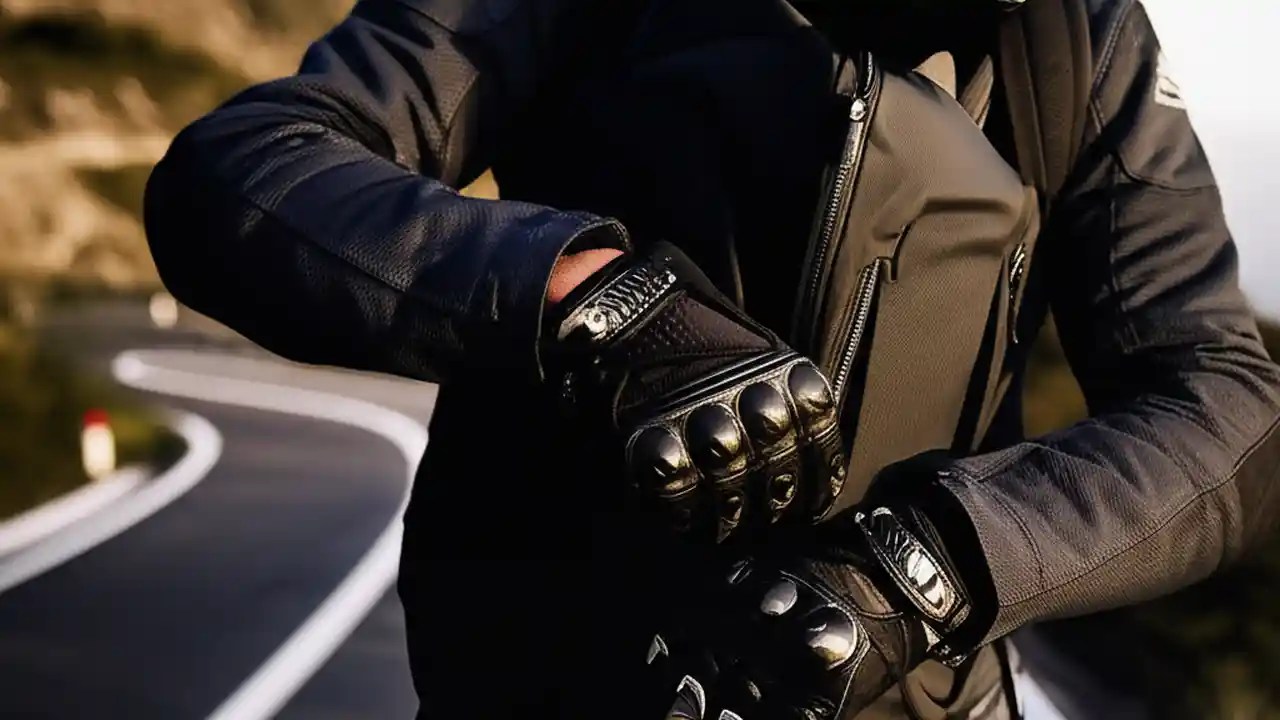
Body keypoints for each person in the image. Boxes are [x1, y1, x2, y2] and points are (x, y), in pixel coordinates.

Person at [143, 0, 1280, 717]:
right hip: (546, 674)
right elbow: (240, 170)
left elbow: (1223, 398)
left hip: (918, 690)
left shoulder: (1076, 36)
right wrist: (597, 306)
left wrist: (927, 565)